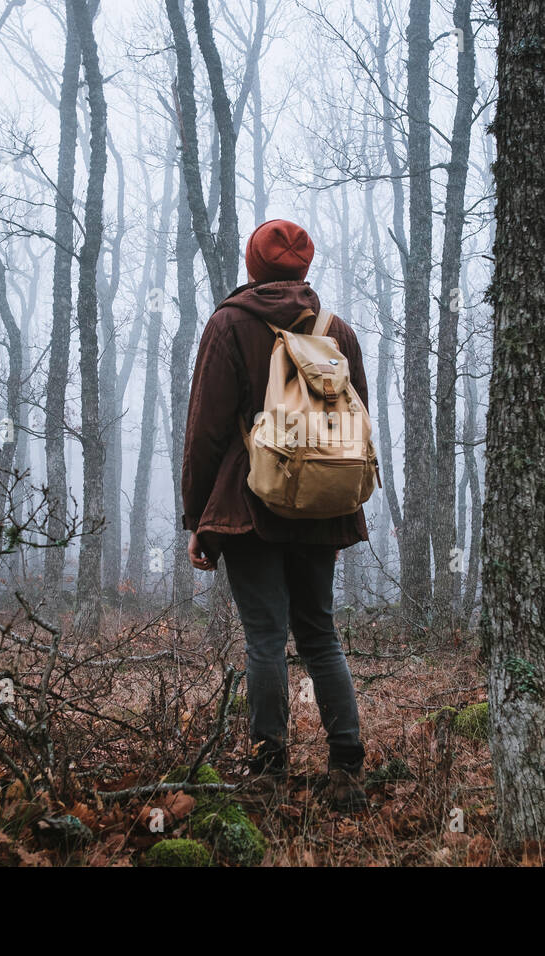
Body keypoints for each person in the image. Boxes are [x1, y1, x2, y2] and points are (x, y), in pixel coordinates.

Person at [181, 219, 369, 812]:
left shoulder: (230, 324)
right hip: (321, 503)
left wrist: (199, 519)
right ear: (303, 268)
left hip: (252, 503)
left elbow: (207, 431)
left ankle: (268, 772)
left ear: (253, 266)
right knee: (320, 636)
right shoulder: (335, 329)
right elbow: (357, 419)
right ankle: (346, 769)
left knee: (265, 639)